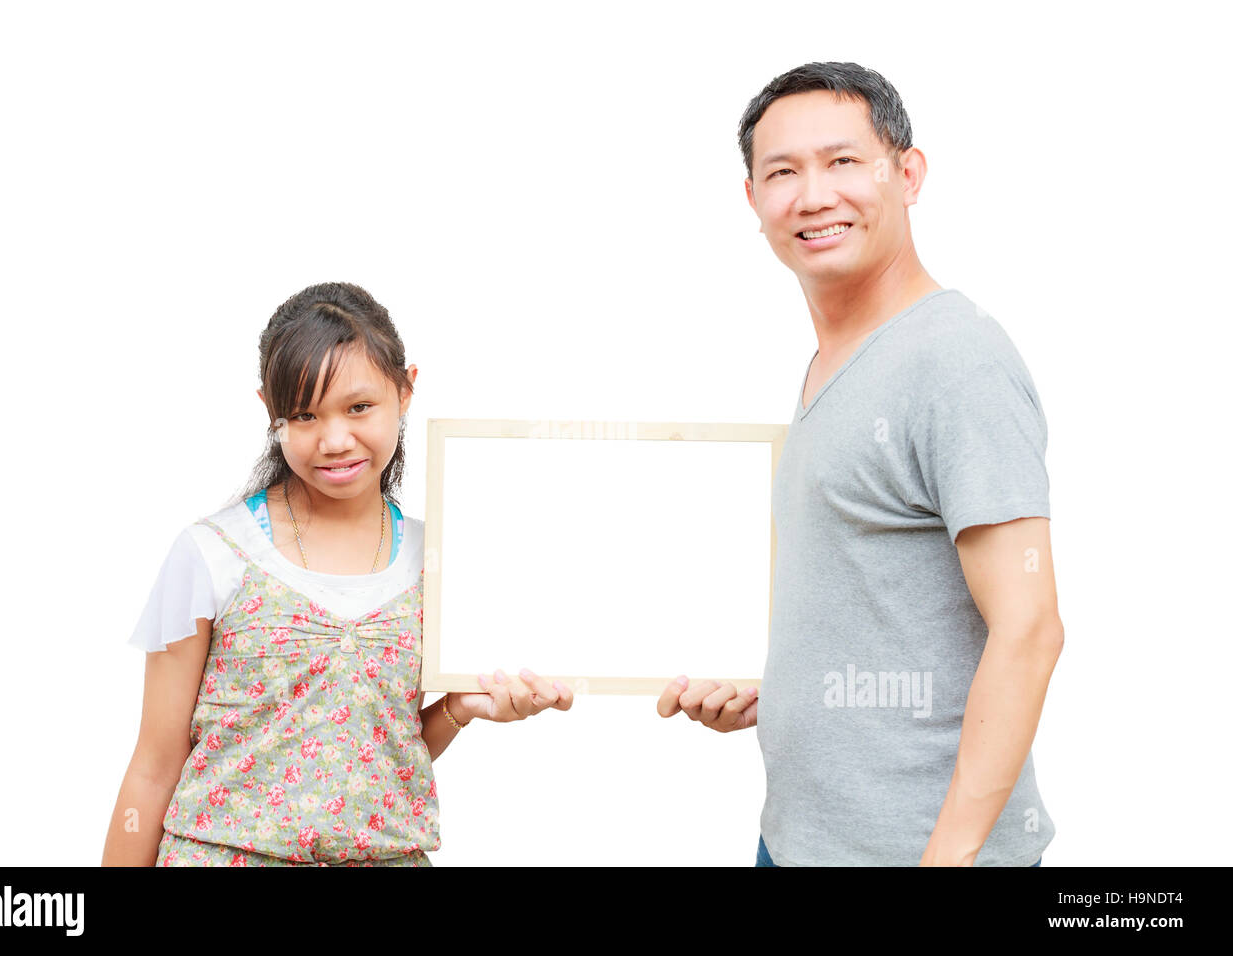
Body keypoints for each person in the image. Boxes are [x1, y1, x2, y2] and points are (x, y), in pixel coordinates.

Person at [656, 62, 1063, 867]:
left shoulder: (954, 362)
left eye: (843, 162)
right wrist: (790, 691)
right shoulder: (835, 362)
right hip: (800, 840)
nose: (812, 196)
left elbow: (1031, 629)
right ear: (752, 201)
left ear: (907, 173)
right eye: (782, 173)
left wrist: (946, 861)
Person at [102, 281, 572, 866]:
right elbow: (153, 768)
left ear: (405, 391)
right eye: (303, 414)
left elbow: (378, 757)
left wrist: (457, 710)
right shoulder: (213, 553)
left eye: (358, 407)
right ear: (271, 413)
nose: (334, 440)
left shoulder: (440, 559)